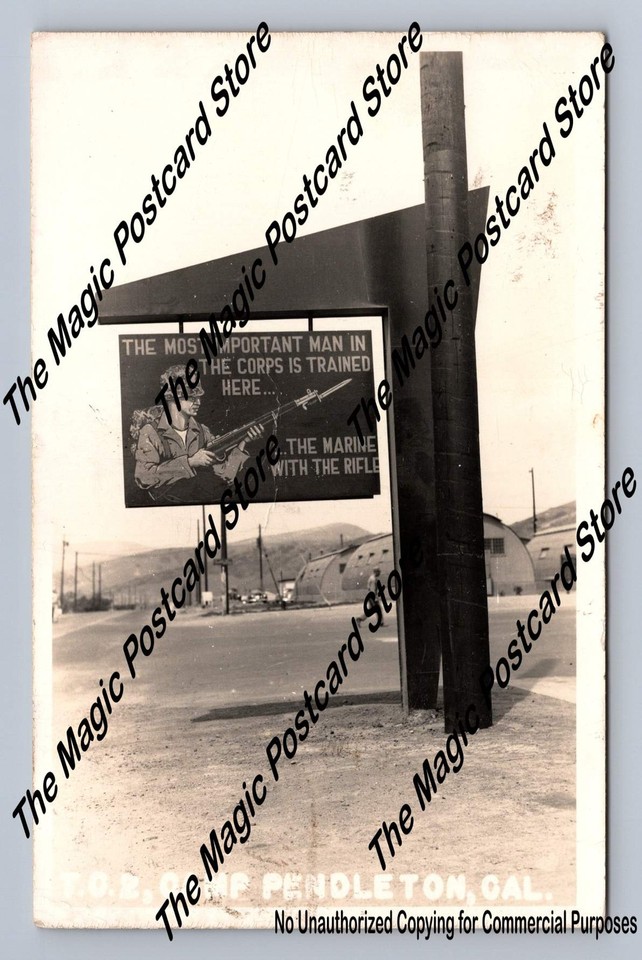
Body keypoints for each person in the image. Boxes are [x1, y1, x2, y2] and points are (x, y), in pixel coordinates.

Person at [131, 364, 263, 502]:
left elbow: (225, 475)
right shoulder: (150, 432)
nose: (198, 402)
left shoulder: (202, 432)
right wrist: (190, 462)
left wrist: (243, 443)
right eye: (192, 397)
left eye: (198, 396)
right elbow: (144, 478)